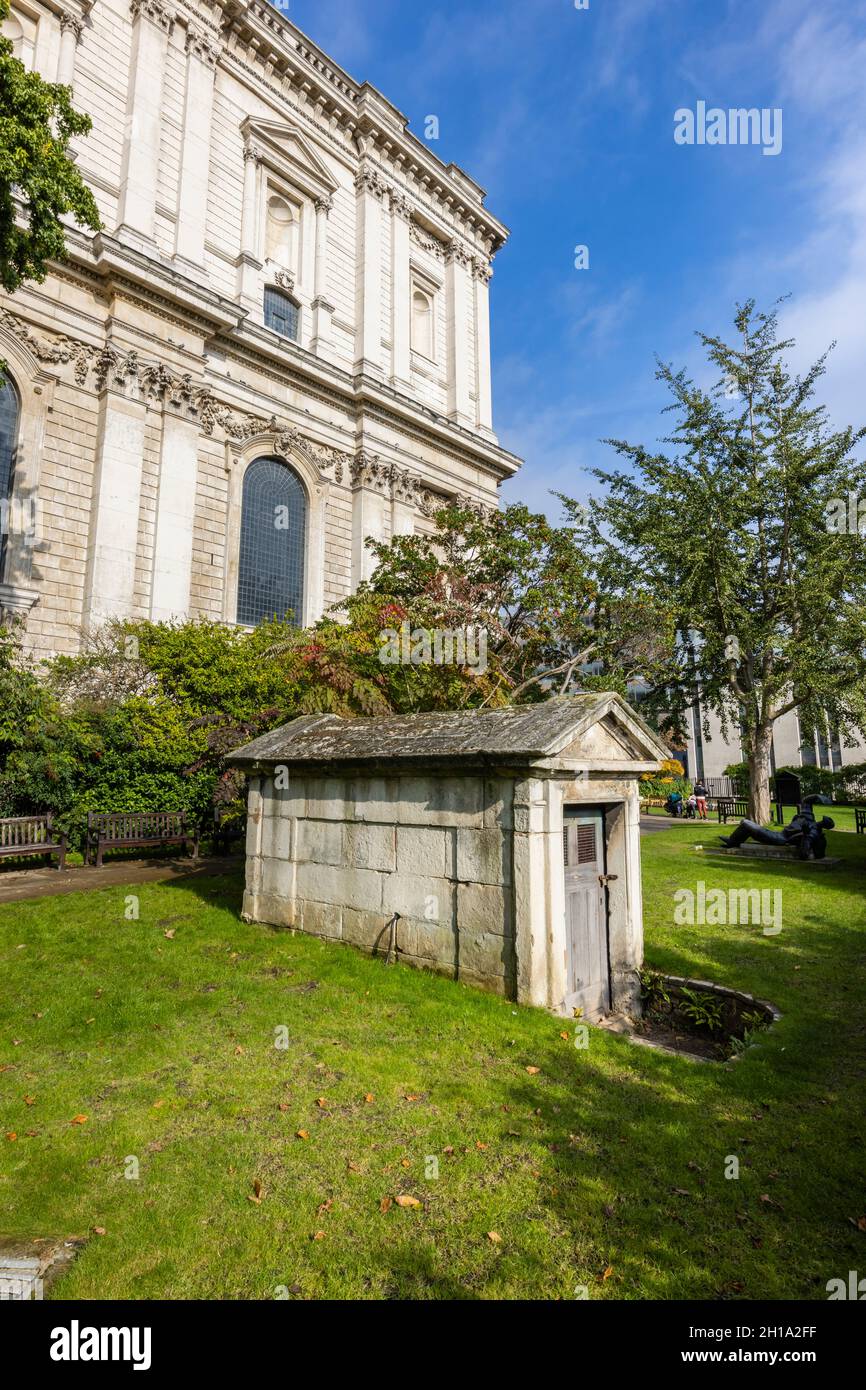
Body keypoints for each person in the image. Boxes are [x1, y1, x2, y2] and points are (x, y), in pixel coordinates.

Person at [719, 795, 835, 860]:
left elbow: (804, 854)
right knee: (747, 825)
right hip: (778, 834)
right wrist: (816, 796)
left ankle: (732, 842)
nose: (821, 822)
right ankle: (733, 841)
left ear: (824, 825)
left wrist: (804, 835)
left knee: (745, 823)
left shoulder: (812, 831)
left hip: (780, 839)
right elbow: (806, 802)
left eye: (823, 822)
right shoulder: (809, 818)